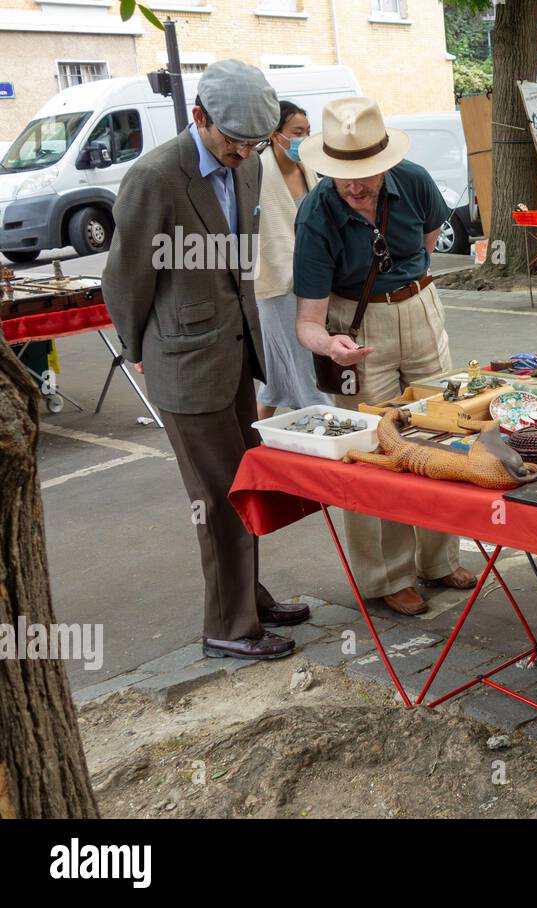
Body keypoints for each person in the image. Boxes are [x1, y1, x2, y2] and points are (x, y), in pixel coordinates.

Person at [102, 60, 308, 661]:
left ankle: (249, 598)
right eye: (234, 142)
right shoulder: (156, 177)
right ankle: (228, 627)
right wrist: (140, 350)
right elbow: (124, 277)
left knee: (243, 484)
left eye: (254, 142)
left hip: (235, 351)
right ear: (199, 118)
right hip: (183, 362)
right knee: (216, 496)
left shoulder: (246, 167)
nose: (245, 154)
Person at [294, 97, 476, 617]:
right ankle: (386, 576)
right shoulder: (316, 213)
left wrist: (408, 289)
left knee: (444, 432)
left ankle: (439, 560)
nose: (354, 186)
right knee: (376, 449)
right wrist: (331, 344)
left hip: (420, 307)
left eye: (365, 174)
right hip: (356, 323)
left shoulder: (414, 180)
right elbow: (307, 320)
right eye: (341, 175)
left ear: (386, 162)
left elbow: (427, 240)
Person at [253, 100, 331, 421]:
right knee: (305, 362)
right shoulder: (255, 170)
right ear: (275, 134)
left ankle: (254, 439)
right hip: (276, 282)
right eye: (296, 132)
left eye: (308, 132)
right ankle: (326, 423)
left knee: (278, 372)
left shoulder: (309, 168)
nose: (303, 139)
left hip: (313, 278)